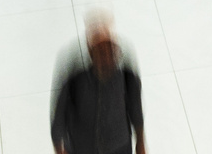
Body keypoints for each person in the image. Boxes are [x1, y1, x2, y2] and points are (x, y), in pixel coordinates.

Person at [51, 16, 147, 154]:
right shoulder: (75, 74)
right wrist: (58, 148)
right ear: (91, 53)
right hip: (81, 147)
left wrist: (141, 142)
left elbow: (135, 108)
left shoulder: (125, 72)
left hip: (118, 147)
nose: (107, 57)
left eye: (111, 50)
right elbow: (59, 112)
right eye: (101, 52)